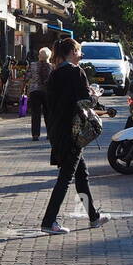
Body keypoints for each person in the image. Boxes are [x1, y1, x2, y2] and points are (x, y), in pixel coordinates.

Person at [40, 38, 110, 235]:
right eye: (79, 51)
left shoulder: (54, 74)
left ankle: (94, 217)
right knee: (65, 178)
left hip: (57, 131)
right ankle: (49, 221)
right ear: (71, 52)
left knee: (81, 175)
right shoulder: (74, 72)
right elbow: (85, 101)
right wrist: (95, 95)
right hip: (73, 132)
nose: (81, 55)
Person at [26, 46, 53, 141]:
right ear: (49, 56)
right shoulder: (52, 67)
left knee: (35, 114)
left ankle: (35, 135)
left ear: (39, 56)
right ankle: (50, 134)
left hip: (34, 91)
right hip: (47, 92)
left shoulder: (32, 65)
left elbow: (27, 77)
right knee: (48, 113)